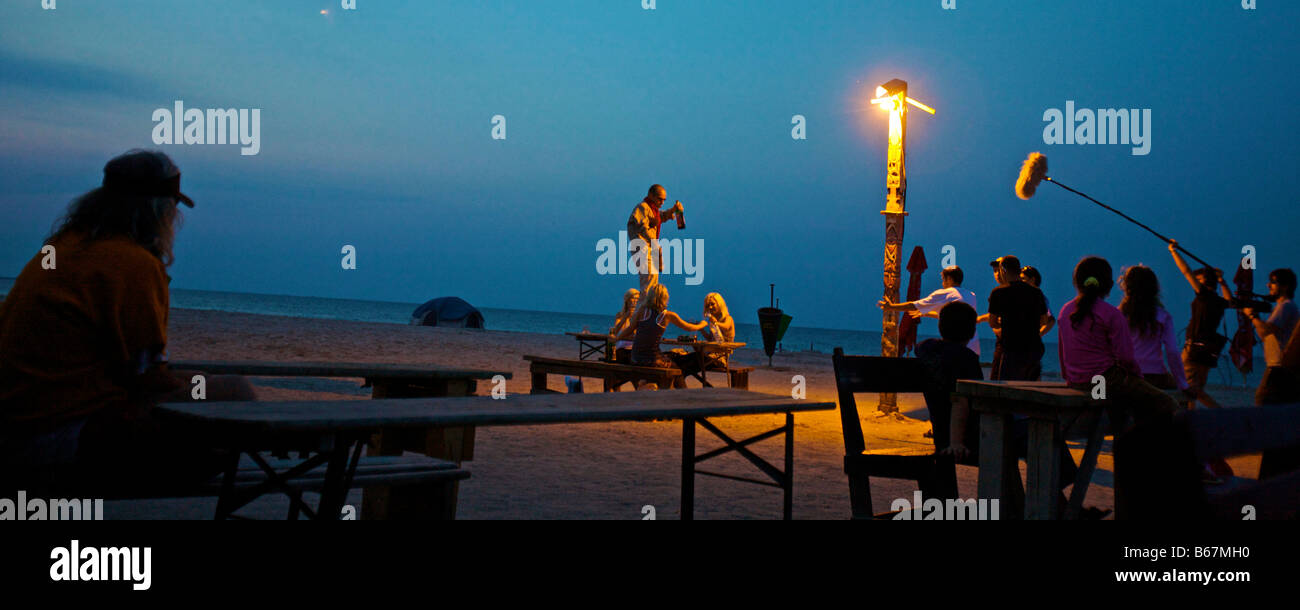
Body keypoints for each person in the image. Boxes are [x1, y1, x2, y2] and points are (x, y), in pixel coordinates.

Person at [0, 150, 256, 495]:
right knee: (235, 391)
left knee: (209, 389)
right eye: (173, 208)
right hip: (59, 438)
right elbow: (147, 378)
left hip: (18, 425)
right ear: (160, 210)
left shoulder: (62, 248)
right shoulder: (133, 264)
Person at [1058, 257, 1180, 432]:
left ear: (1077, 282)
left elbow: (1063, 353)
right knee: (1169, 404)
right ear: (1107, 284)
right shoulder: (1111, 314)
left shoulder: (1066, 310)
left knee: (1124, 408)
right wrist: (1138, 378)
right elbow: (1126, 358)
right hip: (1105, 381)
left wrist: (1069, 377)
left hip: (1079, 382)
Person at [1168, 240, 1233, 409]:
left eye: (1199, 279)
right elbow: (1230, 301)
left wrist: (1174, 251)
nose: (1195, 282)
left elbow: (1186, 271)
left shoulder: (1204, 295)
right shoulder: (1219, 301)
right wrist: (1222, 280)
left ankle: (1219, 414)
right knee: (1197, 389)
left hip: (1195, 348)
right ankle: (1192, 420)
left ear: (1204, 281)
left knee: (1185, 388)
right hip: (1210, 350)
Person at [915, 302, 983, 459]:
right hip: (968, 440)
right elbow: (960, 400)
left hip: (941, 436)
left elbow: (919, 347)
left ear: (940, 327)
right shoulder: (967, 359)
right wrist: (956, 442)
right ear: (972, 332)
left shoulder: (927, 349)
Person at [615, 282, 708, 388]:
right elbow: (689, 327)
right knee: (677, 370)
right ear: (665, 298)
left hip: (635, 358)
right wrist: (702, 324)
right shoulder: (668, 315)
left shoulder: (642, 311)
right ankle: (683, 395)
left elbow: (630, 329)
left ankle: (659, 389)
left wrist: (617, 338)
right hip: (652, 360)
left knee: (668, 360)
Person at [1118, 265, 1191, 395]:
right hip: (1155, 377)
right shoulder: (1163, 316)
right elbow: (1173, 352)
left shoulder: (1119, 316)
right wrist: (1183, 384)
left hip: (1126, 376)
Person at [879, 265, 980, 356]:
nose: (942, 283)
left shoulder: (944, 294)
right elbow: (954, 318)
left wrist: (891, 306)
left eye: (943, 279)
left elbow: (913, 305)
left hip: (955, 349)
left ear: (949, 279)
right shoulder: (971, 295)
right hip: (973, 347)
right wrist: (926, 313)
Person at [986, 255, 1051, 380]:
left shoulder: (998, 292)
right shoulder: (1036, 292)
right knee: (1030, 386)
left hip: (1011, 347)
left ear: (1003, 270)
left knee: (1006, 386)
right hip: (1033, 348)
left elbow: (992, 322)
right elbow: (1044, 320)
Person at [1243, 268, 1299, 379]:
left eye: (1273, 282)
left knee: (1262, 396)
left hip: (1280, 366)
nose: (1268, 285)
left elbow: (1265, 332)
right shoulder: (1281, 306)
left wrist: (1252, 316)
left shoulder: (1285, 306)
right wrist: (1256, 316)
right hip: (1277, 365)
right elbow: (1264, 335)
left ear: (1285, 286)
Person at [626, 184, 684, 292]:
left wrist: (673, 210)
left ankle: (651, 305)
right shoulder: (643, 207)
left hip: (650, 249)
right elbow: (643, 228)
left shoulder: (654, 211)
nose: (662, 203)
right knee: (649, 280)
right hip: (642, 248)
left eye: (663, 200)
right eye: (659, 199)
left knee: (653, 280)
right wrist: (655, 244)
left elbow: (660, 218)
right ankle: (645, 307)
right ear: (651, 196)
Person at [1020, 265, 1056, 337]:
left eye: (1023, 279)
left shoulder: (1040, 298)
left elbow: (1051, 320)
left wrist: (1036, 336)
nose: (1020, 282)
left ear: (1032, 279)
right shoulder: (1022, 297)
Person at [609, 288, 640, 363]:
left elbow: (636, 333)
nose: (635, 301)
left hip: (635, 349)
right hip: (622, 348)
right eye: (633, 298)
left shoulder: (640, 315)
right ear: (627, 300)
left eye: (637, 299)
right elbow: (615, 331)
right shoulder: (620, 315)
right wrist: (626, 316)